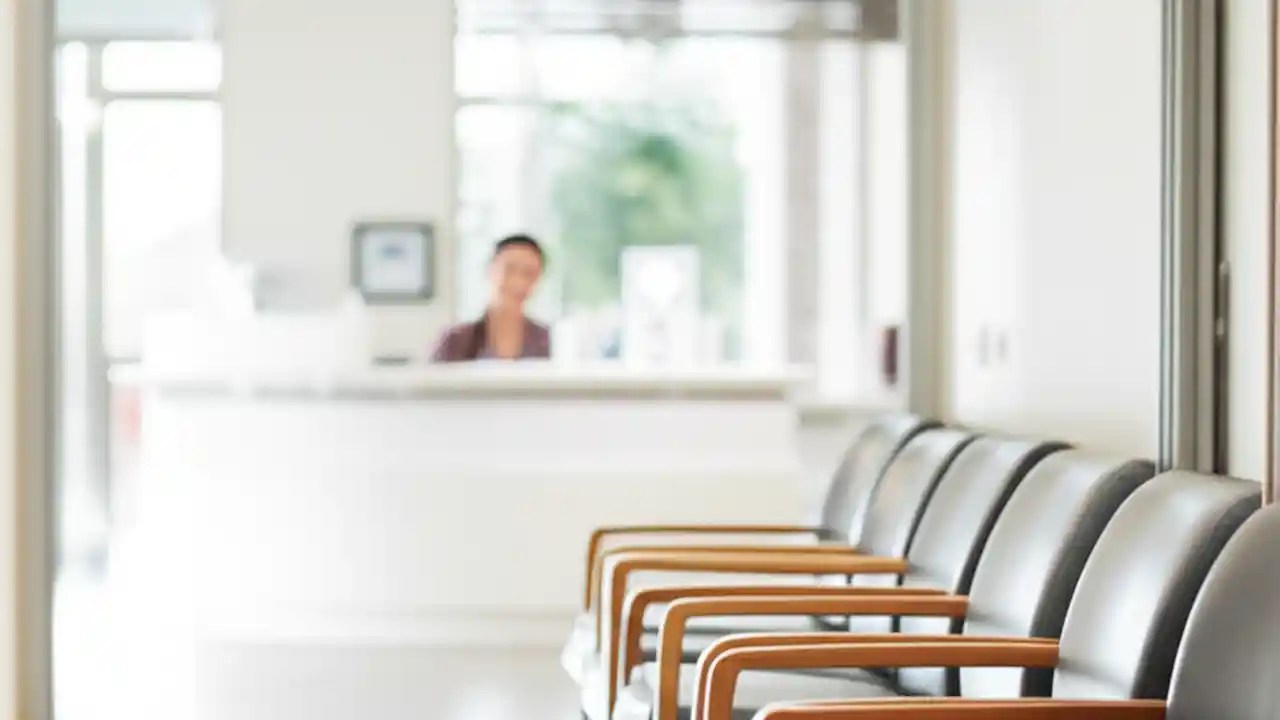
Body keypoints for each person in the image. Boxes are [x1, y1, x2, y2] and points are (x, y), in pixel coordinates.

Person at [430, 234, 551, 362]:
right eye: (509, 269)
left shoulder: (546, 341)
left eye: (529, 273)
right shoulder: (457, 340)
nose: (518, 282)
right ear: (490, 270)